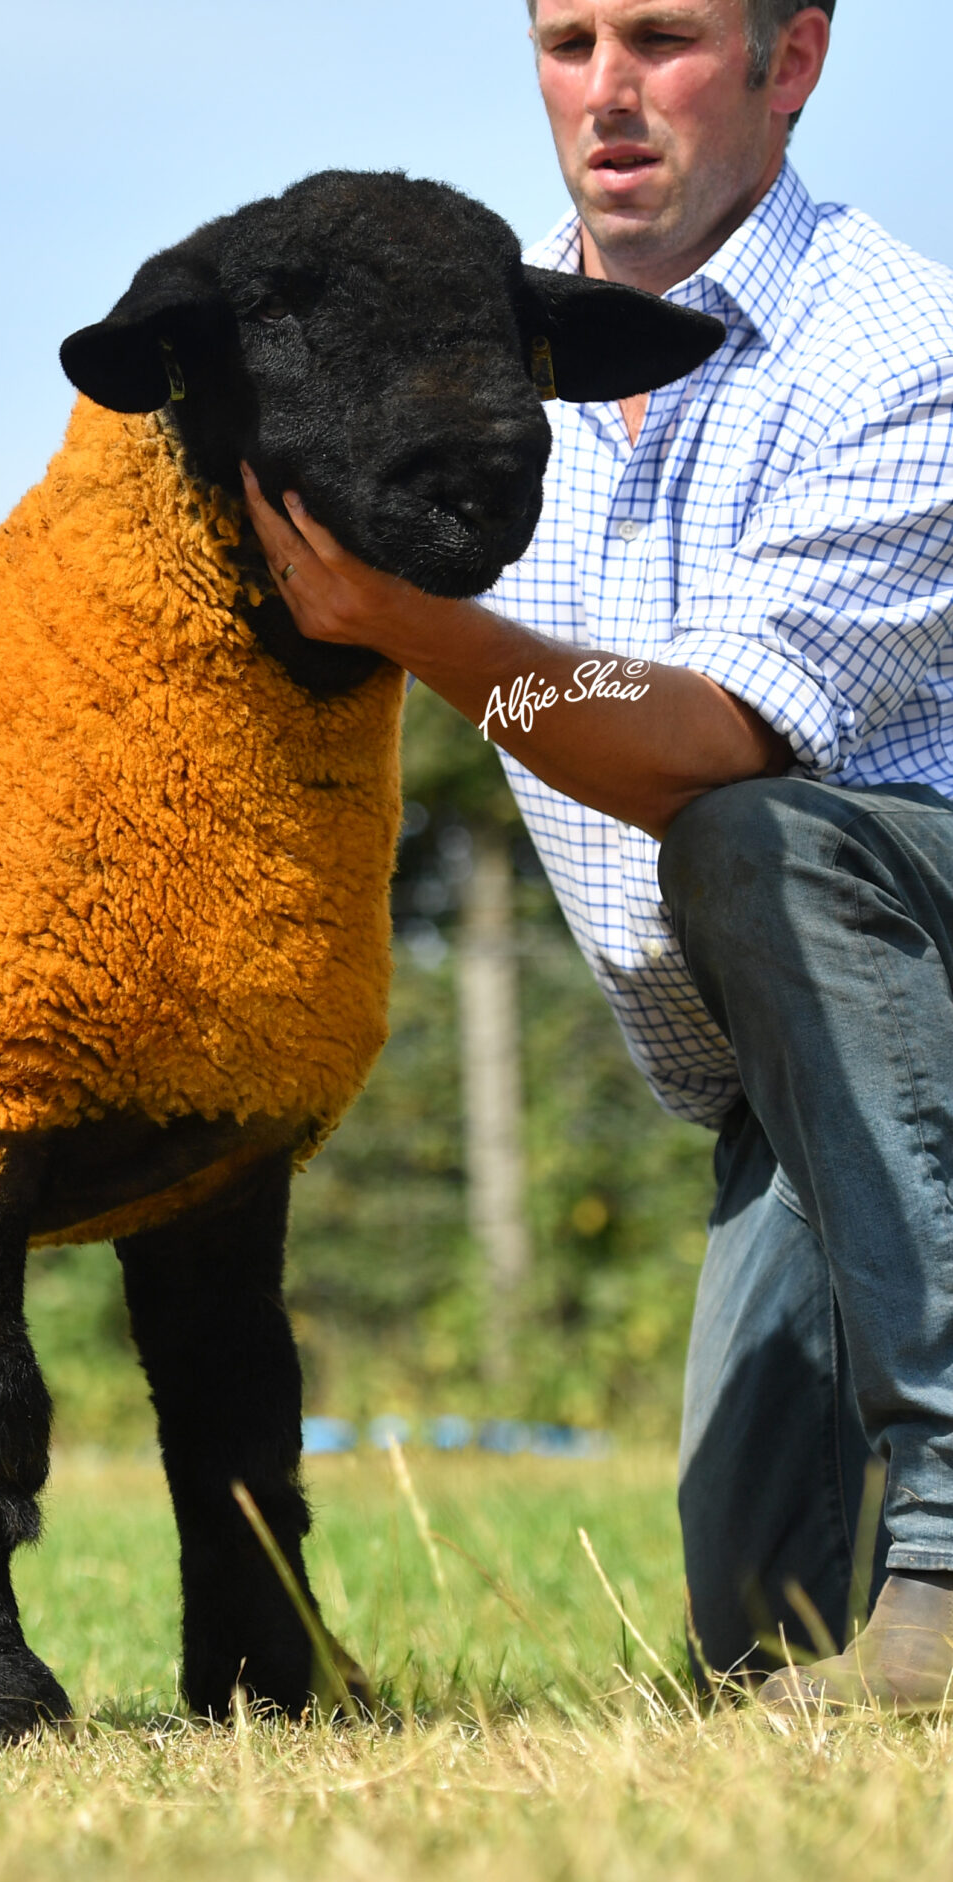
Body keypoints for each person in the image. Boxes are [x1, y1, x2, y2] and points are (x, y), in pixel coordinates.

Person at [242, 0, 953, 1707]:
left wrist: (412, 624)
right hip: (782, 1099)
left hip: (924, 1001)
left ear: (796, 59)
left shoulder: (903, 351)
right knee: (759, 1644)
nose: (608, 93)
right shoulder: (464, 355)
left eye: (664, 38)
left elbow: (707, 741)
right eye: (568, 42)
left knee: (752, 840)